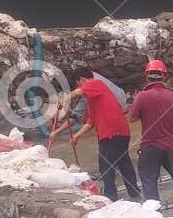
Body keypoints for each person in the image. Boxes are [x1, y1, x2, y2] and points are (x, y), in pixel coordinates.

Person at [52, 67, 140, 201]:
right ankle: (134, 194)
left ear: (81, 79)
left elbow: (79, 91)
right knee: (123, 163)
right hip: (120, 131)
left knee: (106, 166)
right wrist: (76, 136)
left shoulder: (96, 84)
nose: (79, 87)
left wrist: (64, 99)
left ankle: (111, 196)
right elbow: (91, 121)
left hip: (111, 132)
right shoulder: (93, 99)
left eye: (78, 83)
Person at [129, 59, 173, 214]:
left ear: (147, 76)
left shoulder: (142, 97)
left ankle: (154, 211)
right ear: (164, 76)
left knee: (149, 179)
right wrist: (168, 125)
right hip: (170, 145)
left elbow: (132, 118)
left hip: (150, 146)